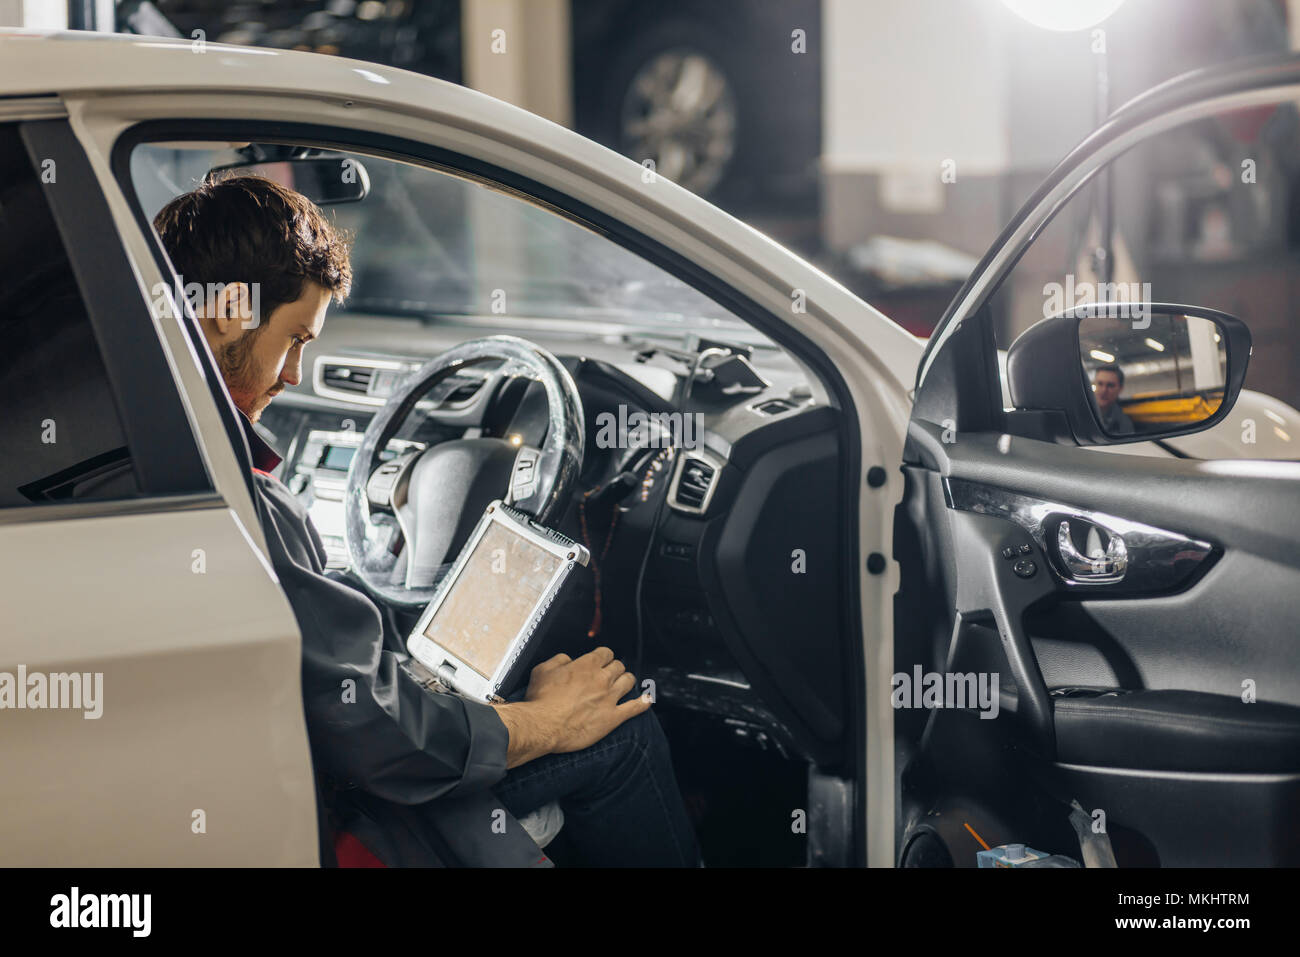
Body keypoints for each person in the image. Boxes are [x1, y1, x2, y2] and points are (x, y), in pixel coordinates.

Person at [153, 174, 699, 867]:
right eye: (295, 338)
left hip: (274, 769)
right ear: (228, 311)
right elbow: (376, 735)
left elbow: (317, 646)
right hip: (341, 795)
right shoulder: (237, 498)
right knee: (622, 736)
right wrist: (543, 722)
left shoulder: (159, 446)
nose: (294, 373)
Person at [1092, 364, 1135, 434]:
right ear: (1095, 384)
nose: (1104, 390)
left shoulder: (1124, 424)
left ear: (1120, 389)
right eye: (1100, 384)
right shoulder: (1079, 413)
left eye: (1110, 385)